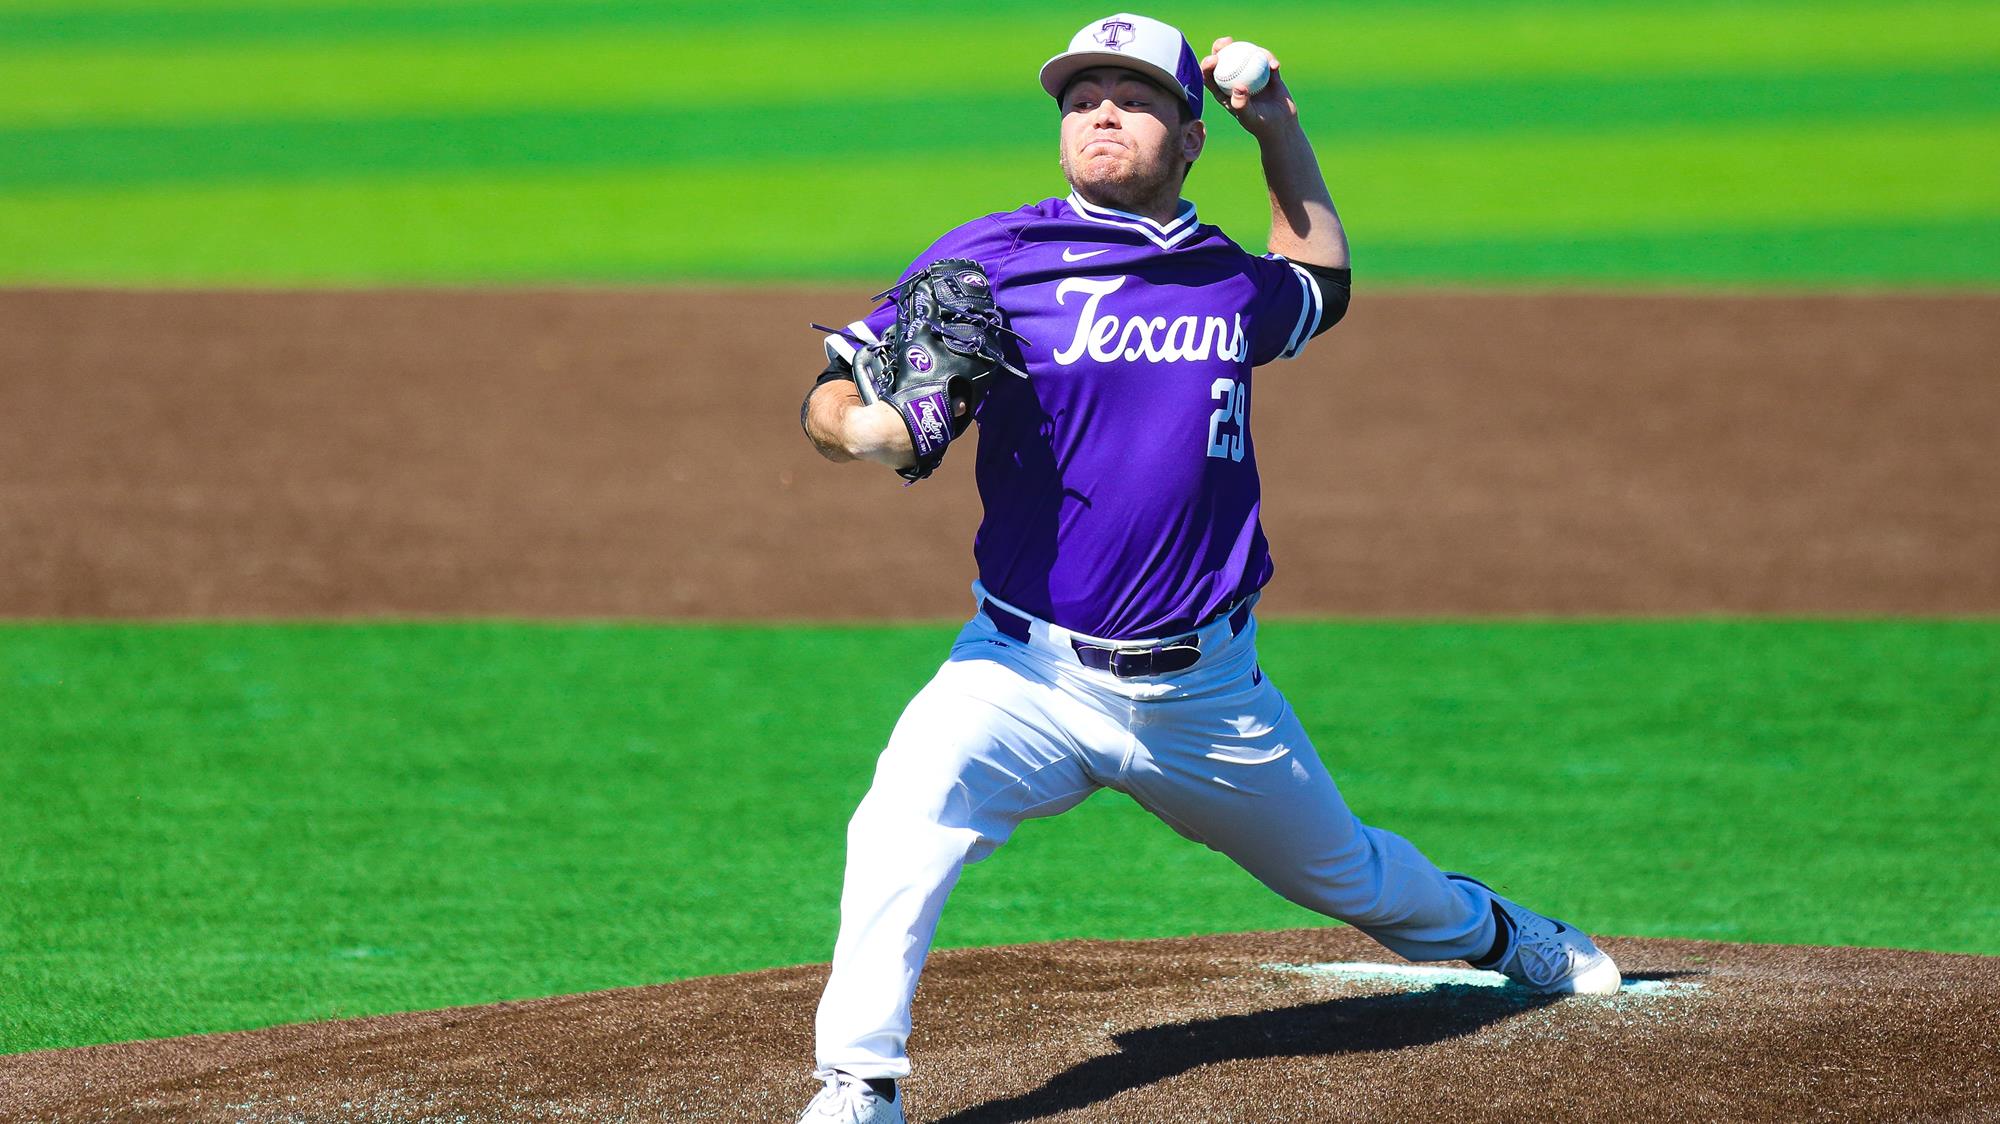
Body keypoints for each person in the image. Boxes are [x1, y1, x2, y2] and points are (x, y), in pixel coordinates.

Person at [794, 14, 1619, 1123]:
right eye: (1080, 98)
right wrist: (861, 429)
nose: (1099, 113)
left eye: (1132, 99)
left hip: (1206, 694)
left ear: (1188, 138)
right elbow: (831, 386)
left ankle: (1502, 933)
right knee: (902, 814)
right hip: (1020, 672)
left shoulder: (1226, 276)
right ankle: (859, 1084)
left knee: (1352, 877)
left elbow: (1320, 282)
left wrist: (1276, 125)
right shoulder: (989, 257)